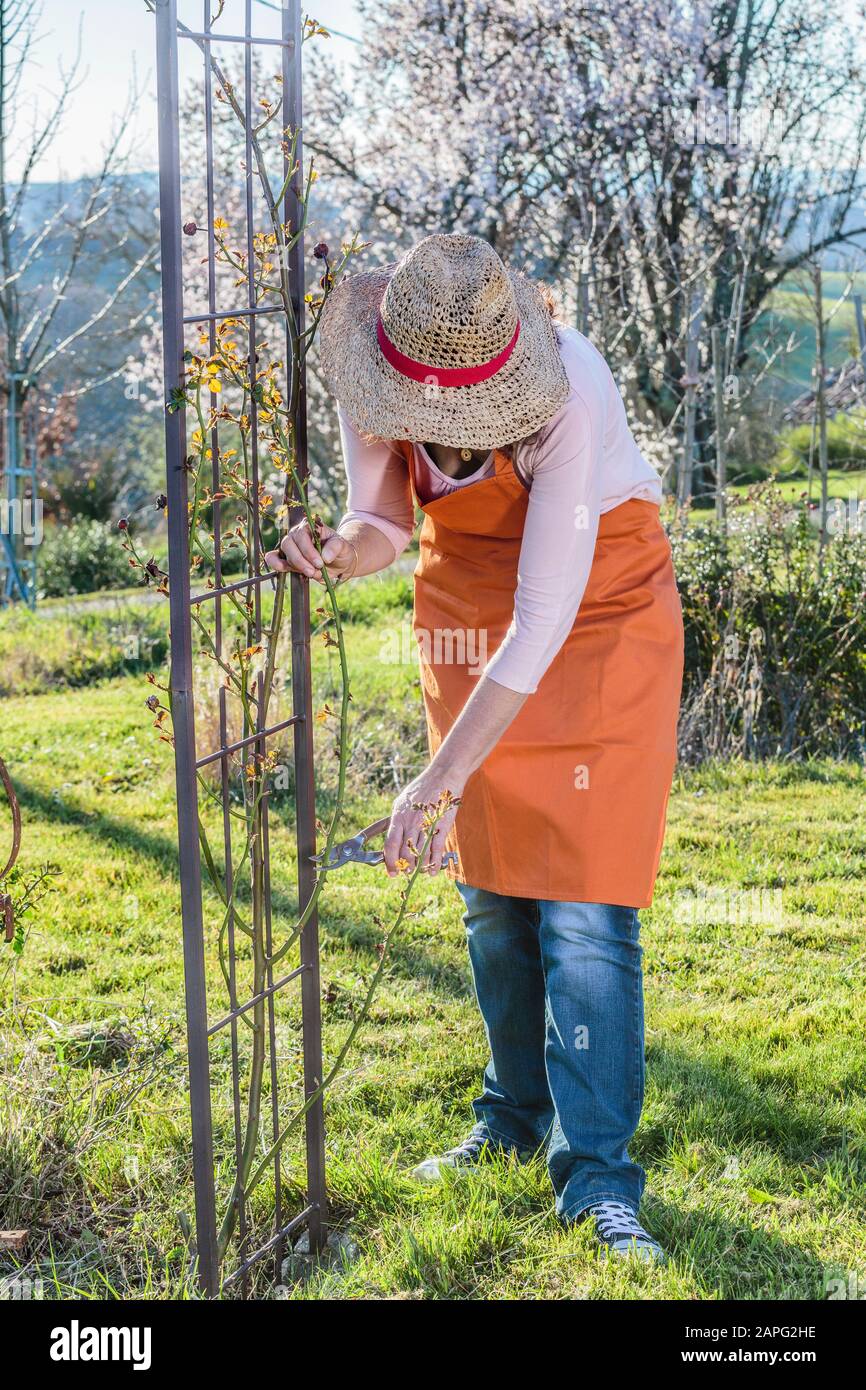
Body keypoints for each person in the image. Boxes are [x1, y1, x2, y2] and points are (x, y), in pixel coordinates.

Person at [266, 232, 684, 1261]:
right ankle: (508, 1116)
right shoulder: (376, 364)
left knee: (583, 910)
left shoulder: (568, 391)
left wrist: (432, 778)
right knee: (492, 896)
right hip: (463, 610)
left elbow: (544, 618)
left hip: (598, 612)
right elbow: (382, 518)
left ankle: (596, 1179)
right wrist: (337, 552)